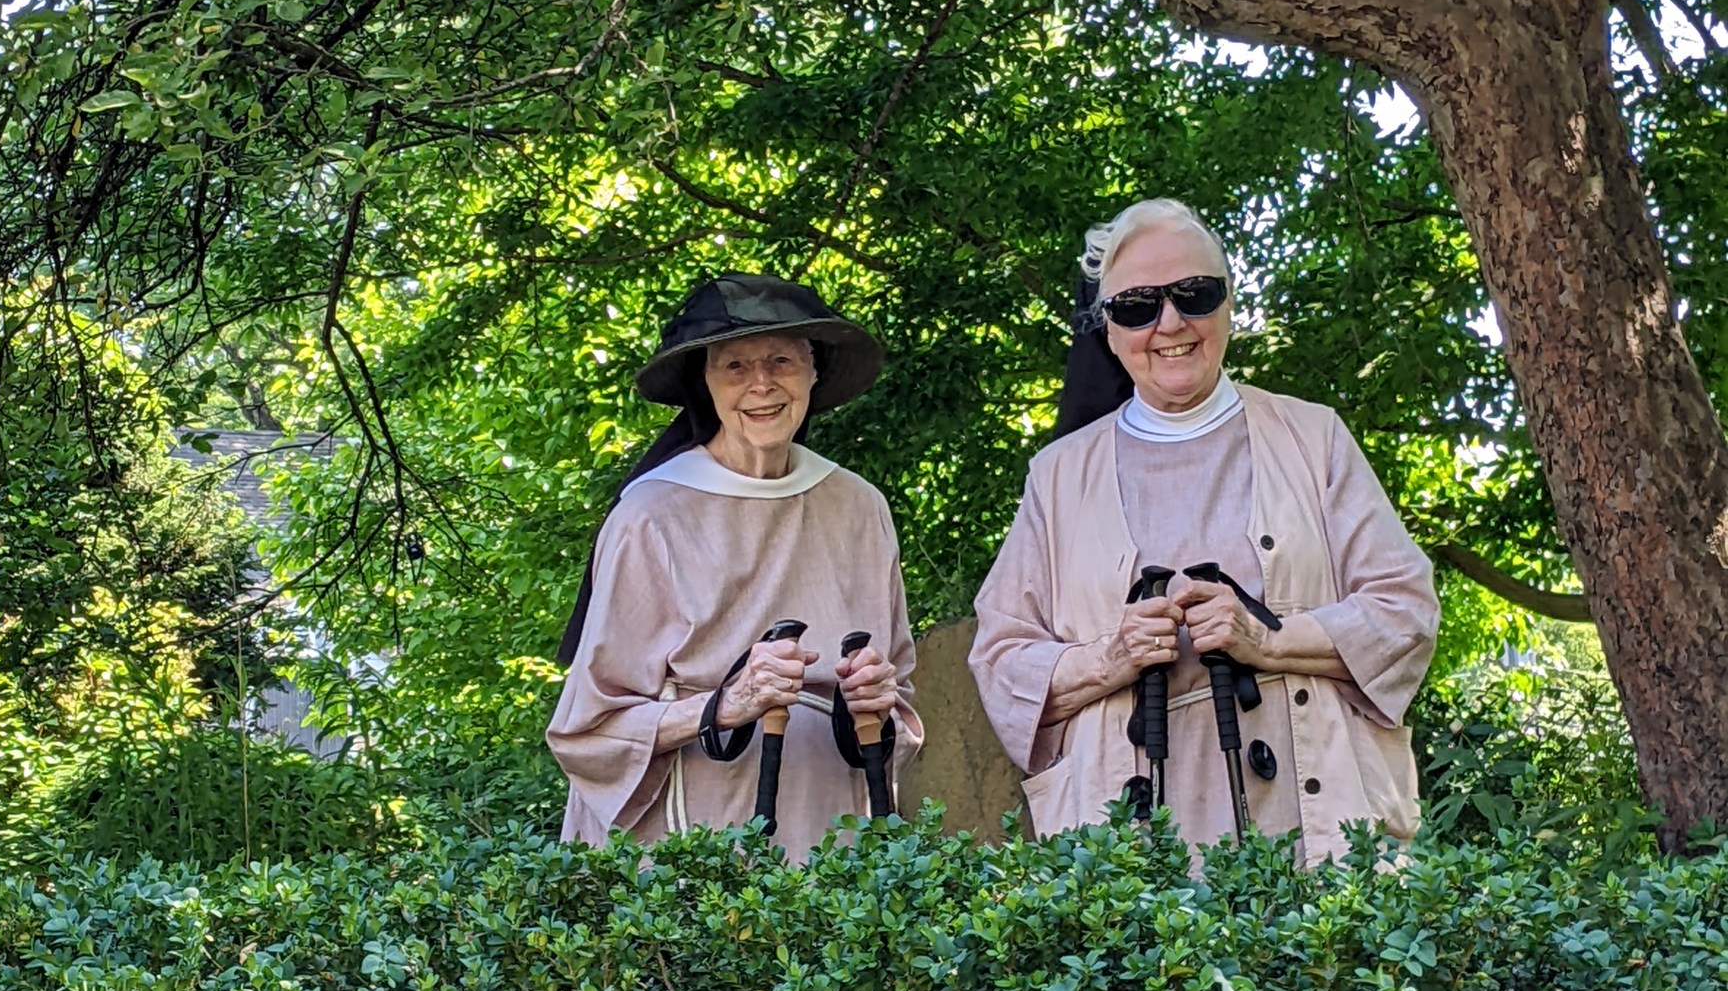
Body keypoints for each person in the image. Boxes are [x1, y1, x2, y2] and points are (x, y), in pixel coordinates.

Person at [970, 199, 1439, 862]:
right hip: (1124, 839)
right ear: (1109, 329)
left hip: (1313, 818)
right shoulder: (1057, 477)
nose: (1170, 323)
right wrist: (1112, 657)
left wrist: (1268, 639)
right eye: (1137, 306)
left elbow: (1405, 612)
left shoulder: (1314, 439)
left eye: (1194, 294)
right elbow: (1001, 661)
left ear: (1228, 303)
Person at [548, 274, 921, 860]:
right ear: (707, 382)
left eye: (782, 361)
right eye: (736, 367)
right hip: (694, 829)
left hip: (833, 816)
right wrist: (725, 705)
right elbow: (590, 731)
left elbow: (900, 696)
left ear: (814, 370)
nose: (762, 385)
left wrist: (876, 697)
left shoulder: (859, 506)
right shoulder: (651, 515)